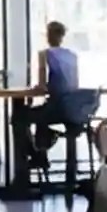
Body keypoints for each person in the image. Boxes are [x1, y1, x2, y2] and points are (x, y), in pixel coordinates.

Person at [30, 21, 80, 151]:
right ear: (62, 36)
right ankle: (42, 146)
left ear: (48, 36)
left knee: (19, 118)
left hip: (55, 109)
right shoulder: (72, 56)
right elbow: (74, 84)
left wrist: (38, 88)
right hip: (72, 111)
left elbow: (42, 86)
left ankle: (36, 153)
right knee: (41, 116)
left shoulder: (45, 54)